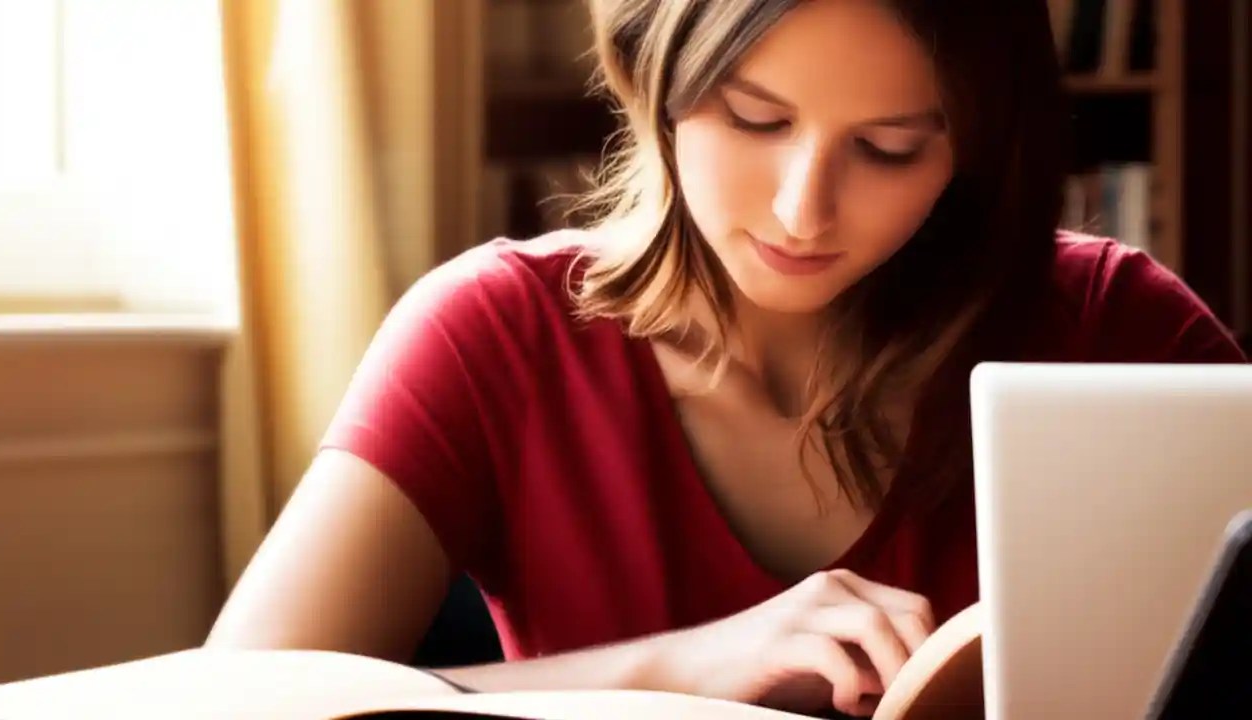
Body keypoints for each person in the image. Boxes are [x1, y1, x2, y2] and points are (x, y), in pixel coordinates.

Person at [204, 0, 1248, 716]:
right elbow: (233, 702)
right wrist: (682, 669)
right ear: (650, 76)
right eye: (754, 119)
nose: (803, 210)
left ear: (973, 149)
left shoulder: (1115, 329)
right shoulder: (497, 334)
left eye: (888, 147)